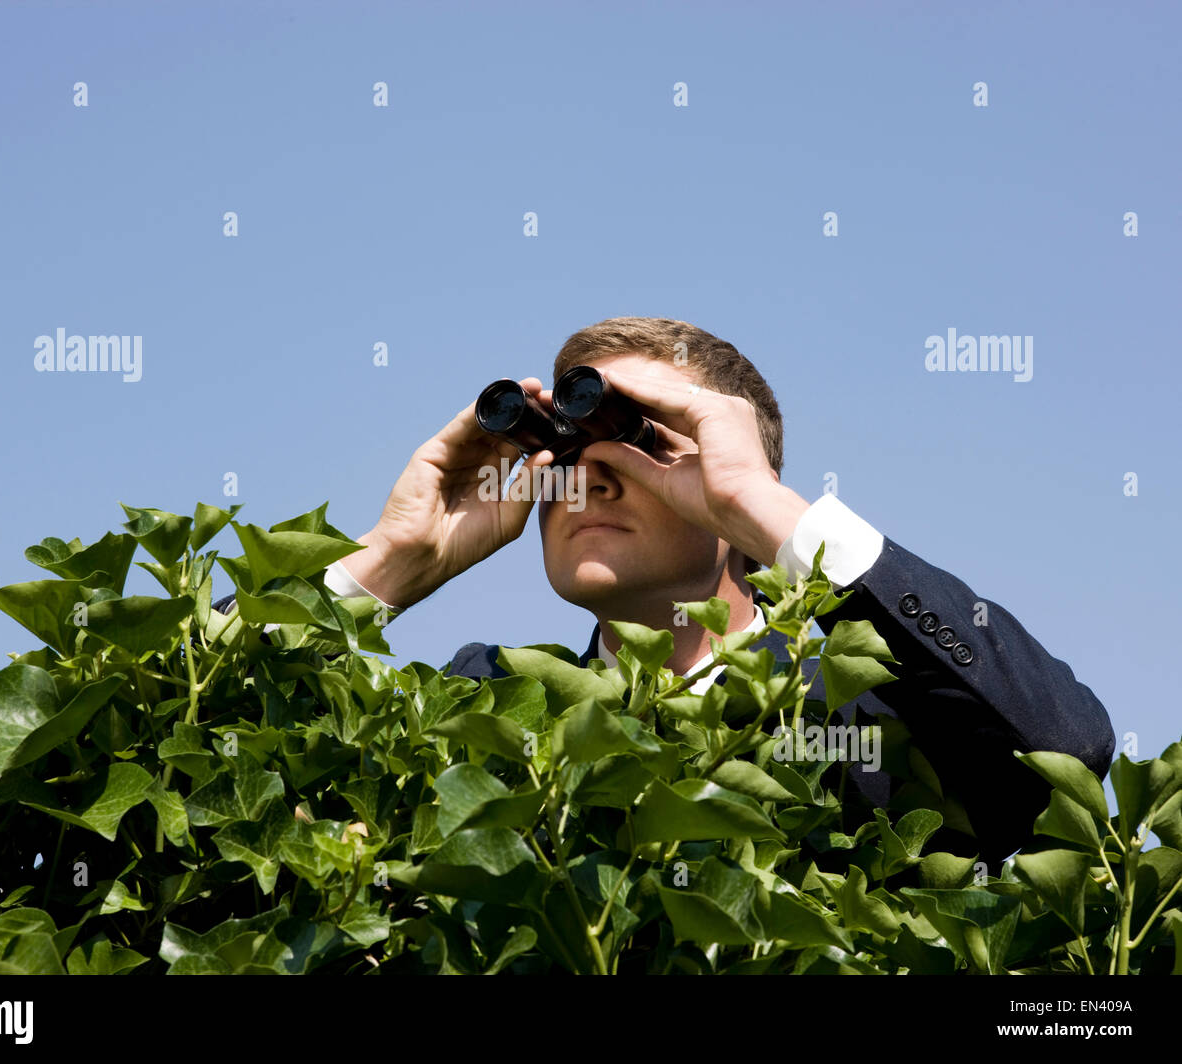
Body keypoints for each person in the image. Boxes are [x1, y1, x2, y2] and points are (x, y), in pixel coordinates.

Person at [220, 317, 1115, 868]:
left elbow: (1065, 745)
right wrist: (391, 562)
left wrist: (762, 508)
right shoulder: (485, 700)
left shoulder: (878, 707)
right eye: (565, 450)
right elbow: (204, 786)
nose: (593, 478)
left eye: (644, 443)